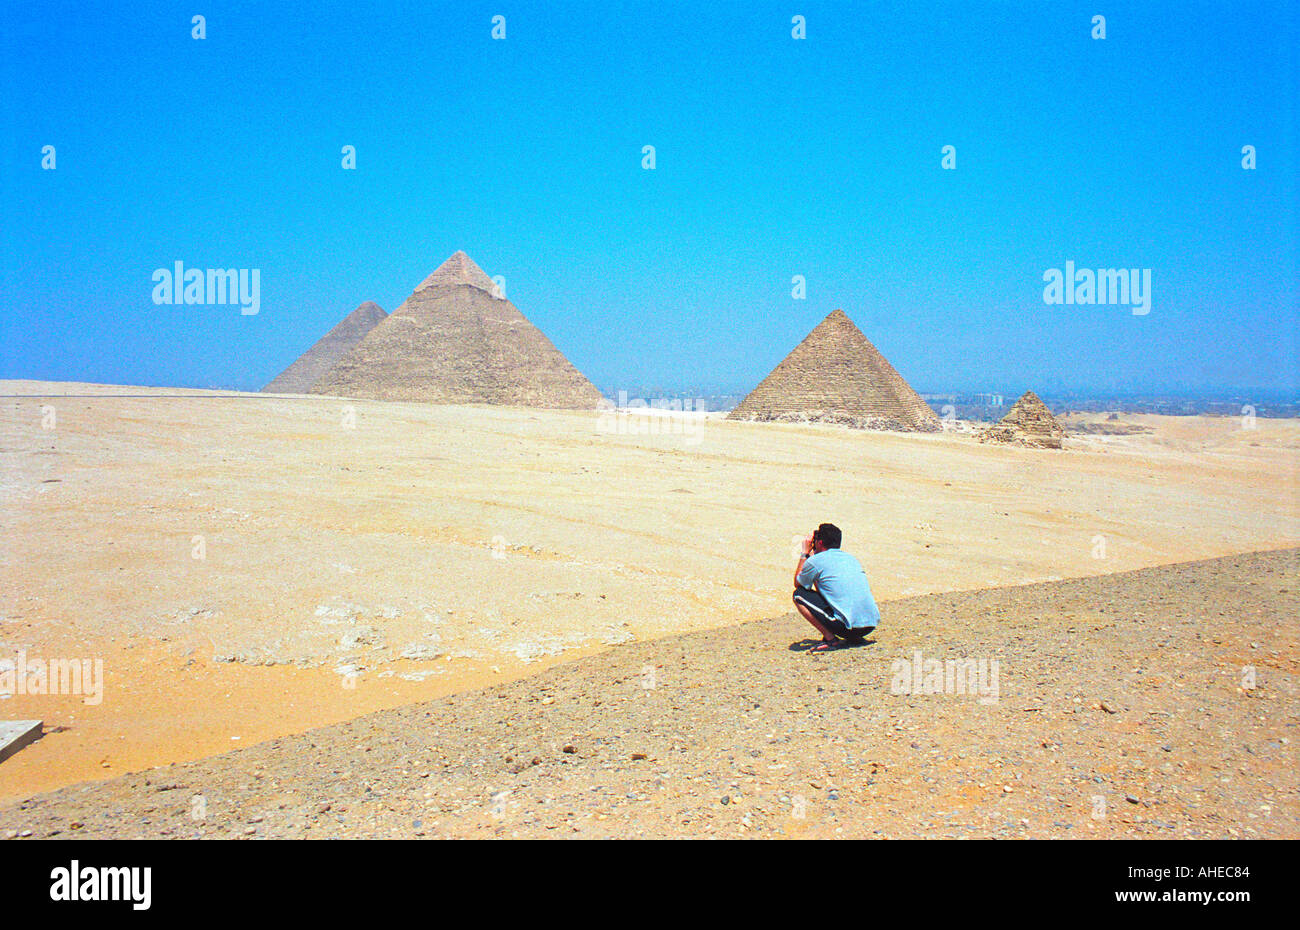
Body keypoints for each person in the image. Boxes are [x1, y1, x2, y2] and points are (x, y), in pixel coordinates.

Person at [792, 523, 880, 653]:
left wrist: (805, 554)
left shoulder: (815, 561)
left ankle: (831, 640)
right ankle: (855, 638)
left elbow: (799, 584)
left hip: (849, 628)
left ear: (820, 542)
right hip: (869, 625)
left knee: (798, 595)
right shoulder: (851, 558)